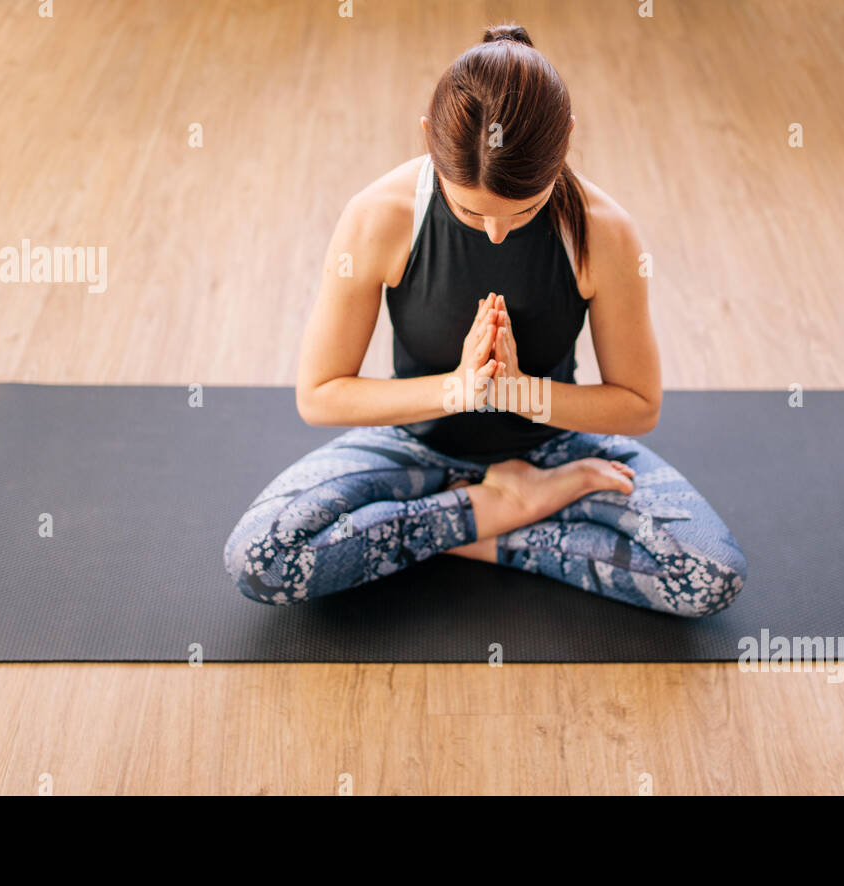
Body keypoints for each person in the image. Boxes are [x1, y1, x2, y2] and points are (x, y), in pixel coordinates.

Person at [223, 24, 747, 617]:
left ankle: (461, 523)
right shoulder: (378, 217)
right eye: (470, 211)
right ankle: (503, 510)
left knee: (709, 574)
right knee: (261, 560)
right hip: (417, 443)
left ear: (566, 143)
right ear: (429, 140)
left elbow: (638, 405)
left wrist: (520, 394)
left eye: (524, 208)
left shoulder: (605, 232)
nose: (497, 232)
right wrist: (459, 390)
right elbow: (320, 396)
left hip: (560, 448)